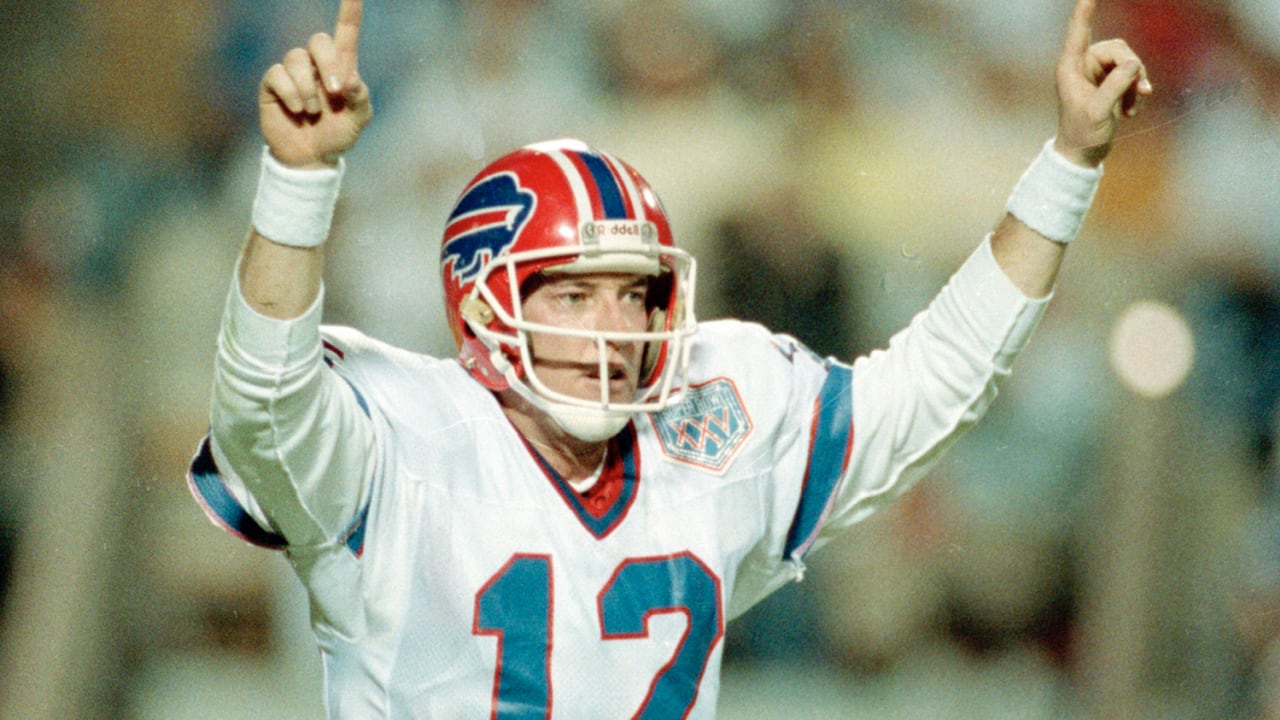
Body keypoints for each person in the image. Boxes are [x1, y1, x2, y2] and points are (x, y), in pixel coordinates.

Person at [187, 0, 1151, 716]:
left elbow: (939, 380)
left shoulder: (712, 415)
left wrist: (1069, 163)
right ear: (483, 307)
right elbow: (264, 393)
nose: (612, 325)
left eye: (634, 293)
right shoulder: (399, 439)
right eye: (571, 292)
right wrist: (297, 182)